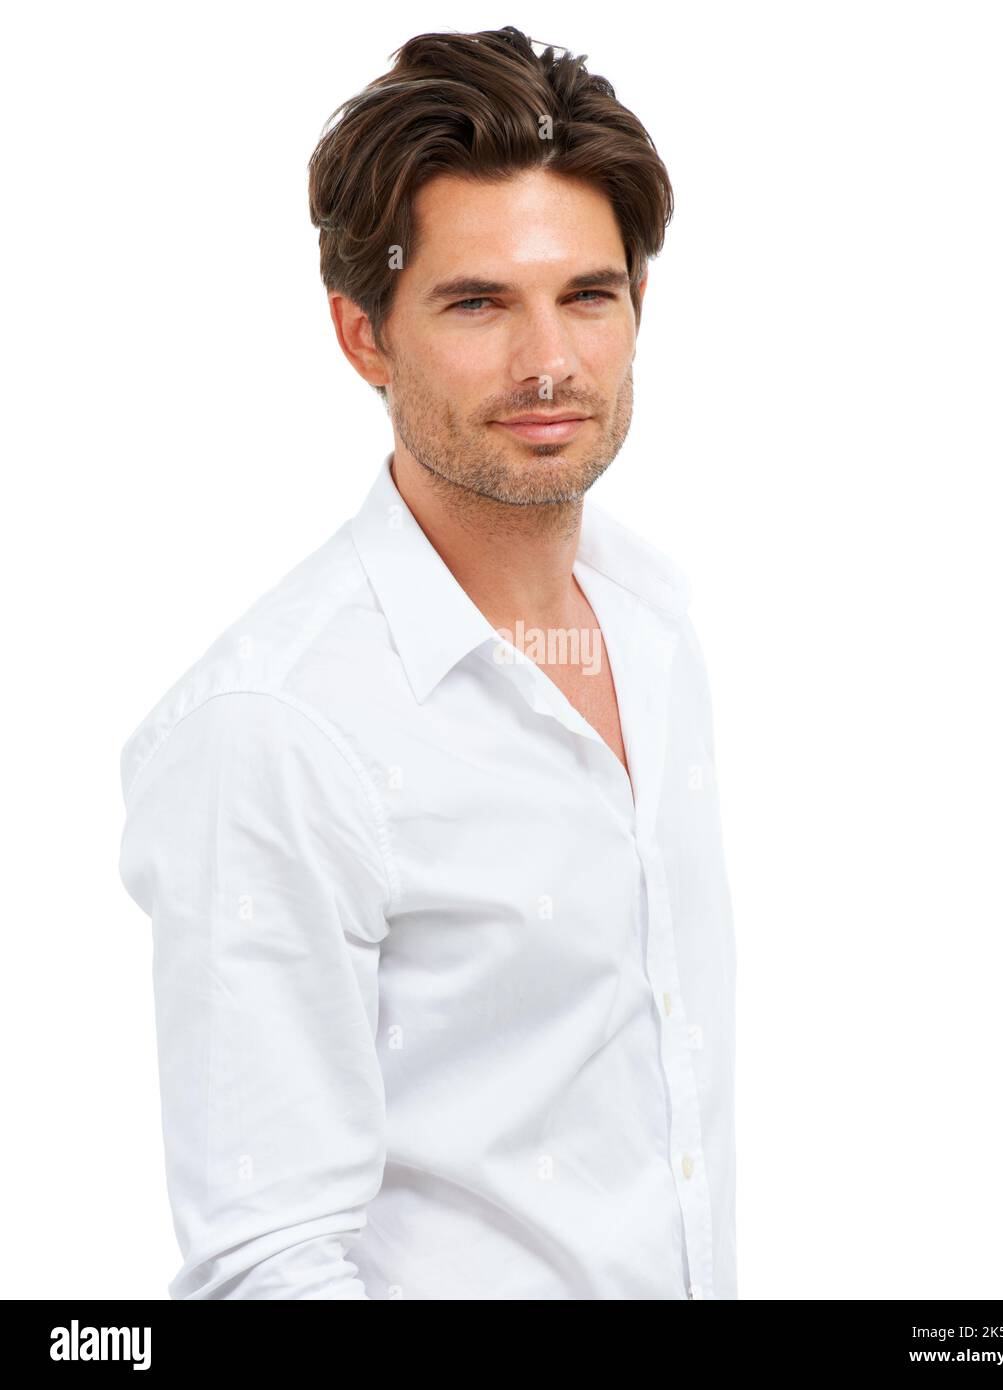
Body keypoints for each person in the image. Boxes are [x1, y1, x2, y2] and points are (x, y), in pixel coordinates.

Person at [118, 24, 737, 1300]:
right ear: (363, 335)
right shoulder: (275, 729)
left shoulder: (652, 612)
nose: (548, 361)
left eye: (587, 294)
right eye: (475, 302)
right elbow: (266, 1265)